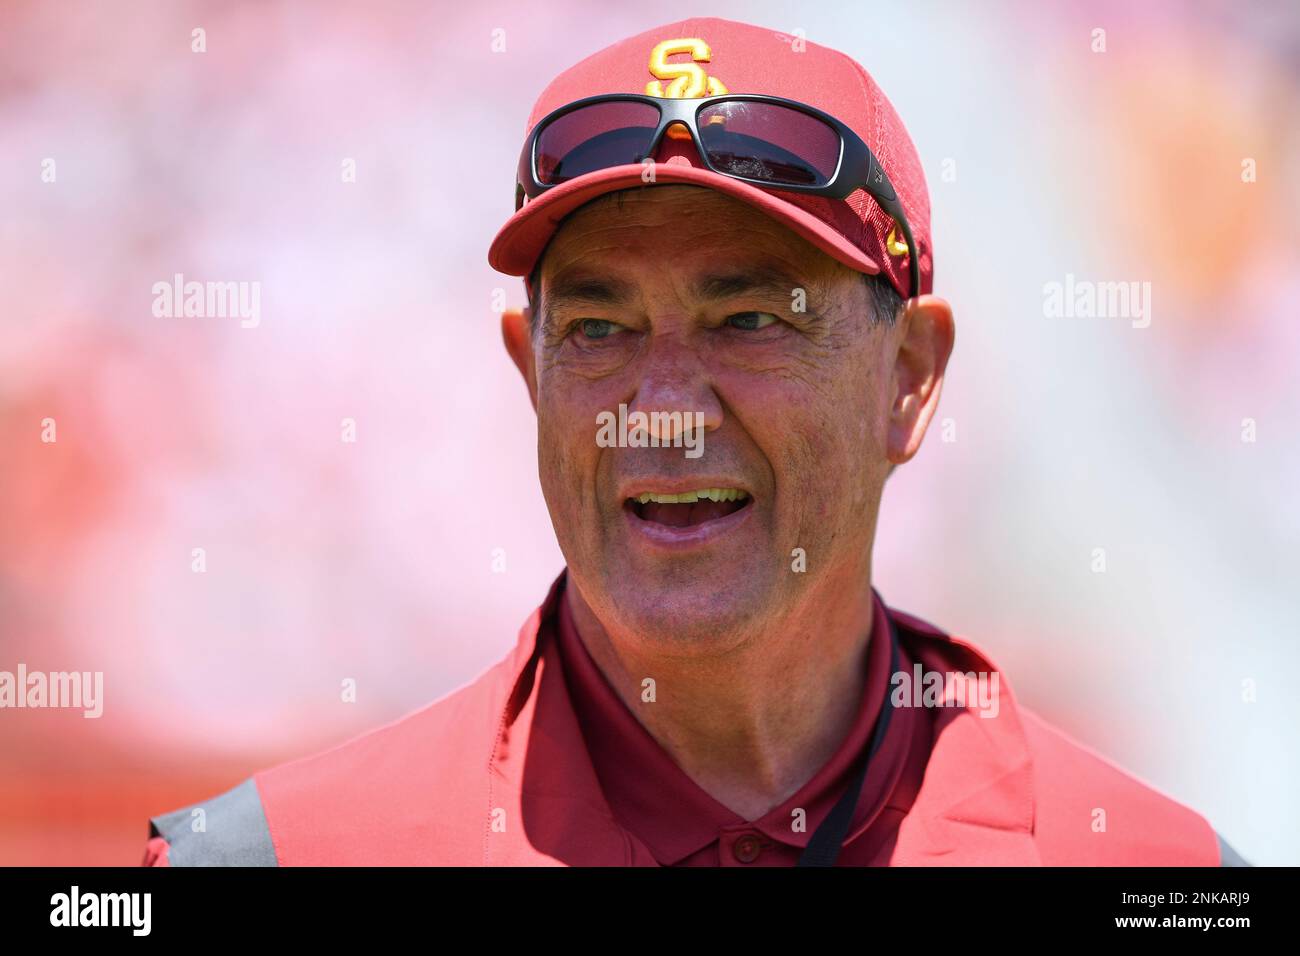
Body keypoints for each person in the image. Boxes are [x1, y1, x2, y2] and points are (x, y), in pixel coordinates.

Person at [141, 16, 1247, 867]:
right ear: (531, 372)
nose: (662, 404)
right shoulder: (275, 856)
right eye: (600, 328)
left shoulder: (1158, 875)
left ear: (907, 379)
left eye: (750, 318)